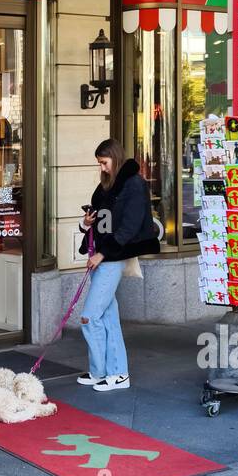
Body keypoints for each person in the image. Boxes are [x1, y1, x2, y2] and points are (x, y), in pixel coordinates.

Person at [77, 138, 160, 391]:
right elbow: (102, 221)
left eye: (104, 162)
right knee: (107, 316)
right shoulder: (109, 185)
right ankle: (105, 372)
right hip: (102, 255)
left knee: (90, 317)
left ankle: (114, 372)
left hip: (110, 257)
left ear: (114, 157)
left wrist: (101, 254)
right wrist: (86, 223)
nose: (101, 168)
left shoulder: (133, 184)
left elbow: (130, 226)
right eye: (99, 164)